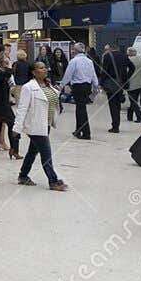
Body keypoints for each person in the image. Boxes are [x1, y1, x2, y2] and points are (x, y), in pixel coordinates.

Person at [13, 60, 66, 191]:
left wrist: (55, 90)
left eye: (45, 68)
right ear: (34, 72)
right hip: (35, 125)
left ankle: (23, 175)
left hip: (46, 124)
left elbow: (51, 100)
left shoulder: (48, 85)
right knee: (46, 153)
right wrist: (16, 128)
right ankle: (53, 181)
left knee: (32, 151)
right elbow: (22, 109)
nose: (45, 70)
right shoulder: (28, 87)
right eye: (41, 68)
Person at [58, 45, 98, 140]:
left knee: (81, 110)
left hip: (77, 87)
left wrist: (61, 86)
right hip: (87, 86)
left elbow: (68, 75)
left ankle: (86, 133)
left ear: (75, 51)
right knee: (80, 108)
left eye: (72, 50)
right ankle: (78, 130)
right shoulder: (89, 61)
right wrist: (96, 88)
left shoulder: (74, 61)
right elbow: (93, 75)